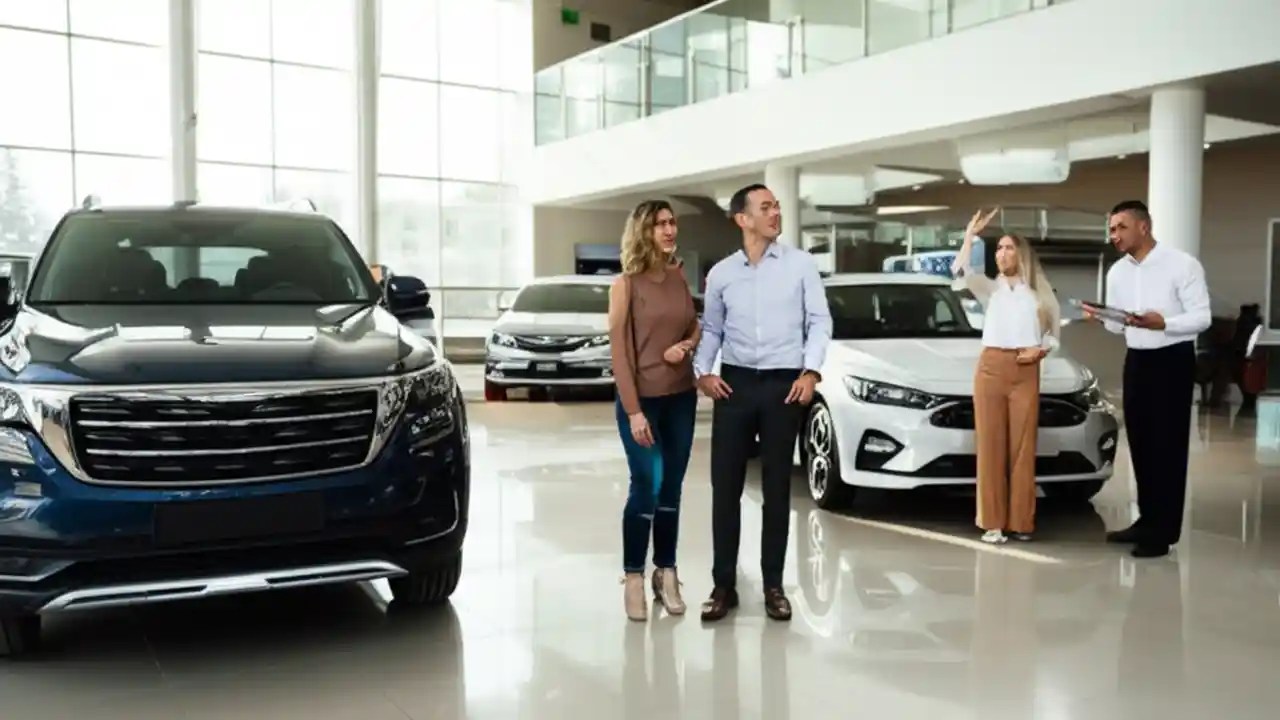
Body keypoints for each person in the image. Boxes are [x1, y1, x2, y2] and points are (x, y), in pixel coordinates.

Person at [693, 183, 833, 622]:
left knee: (776, 490)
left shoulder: (801, 266)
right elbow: (711, 329)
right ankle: (723, 585)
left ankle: (773, 585)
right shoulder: (721, 274)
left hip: (783, 386)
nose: (776, 214)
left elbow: (819, 321)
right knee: (725, 489)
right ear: (743, 219)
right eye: (766, 207)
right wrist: (703, 372)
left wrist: (810, 373)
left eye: (776, 206)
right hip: (733, 386)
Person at [1083, 200, 1211, 558]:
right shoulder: (1117, 273)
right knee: (1140, 442)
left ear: (1144, 226)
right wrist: (1104, 317)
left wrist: (1164, 323)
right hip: (1137, 359)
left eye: (1121, 227)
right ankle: (1147, 520)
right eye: (1111, 229)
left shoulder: (1182, 265)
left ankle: (1163, 532)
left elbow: (1202, 318)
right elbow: (1117, 325)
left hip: (1173, 359)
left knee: (1167, 446)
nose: (1114, 236)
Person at [609, 199, 701, 621]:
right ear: (643, 232)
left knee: (672, 489)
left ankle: (666, 573)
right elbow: (620, 355)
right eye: (659, 224)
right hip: (642, 402)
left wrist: (685, 345)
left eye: (671, 222)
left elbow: (694, 325)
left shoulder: (679, 277)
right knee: (647, 484)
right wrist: (633, 411)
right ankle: (632, 577)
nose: (669, 230)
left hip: (681, 399)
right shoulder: (625, 284)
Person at [952, 208, 1061, 544]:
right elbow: (960, 270)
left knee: (1023, 447)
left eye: (1009, 248)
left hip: (1025, 369)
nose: (1002, 254)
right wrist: (970, 234)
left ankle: (1021, 522)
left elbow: (1054, 334)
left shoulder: (1040, 294)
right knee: (990, 445)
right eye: (998, 248)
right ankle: (992, 522)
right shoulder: (990, 289)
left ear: (1022, 254)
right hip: (990, 367)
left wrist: (1040, 351)